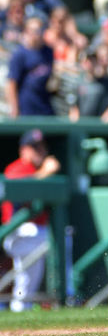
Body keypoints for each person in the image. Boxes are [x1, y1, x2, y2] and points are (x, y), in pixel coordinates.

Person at [1, 129, 60, 312]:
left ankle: (24, 304)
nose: (40, 151)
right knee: (46, 239)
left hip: (34, 232)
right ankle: (23, 304)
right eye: (35, 147)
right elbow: (21, 195)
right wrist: (46, 171)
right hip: (18, 230)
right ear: (23, 150)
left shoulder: (37, 169)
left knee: (60, 238)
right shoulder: (17, 168)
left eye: (42, 147)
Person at [6, 17, 56, 118]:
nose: (37, 33)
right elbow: (11, 83)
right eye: (34, 30)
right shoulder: (20, 54)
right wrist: (14, 109)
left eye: (40, 30)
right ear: (26, 31)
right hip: (27, 108)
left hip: (45, 107)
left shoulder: (48, 52)